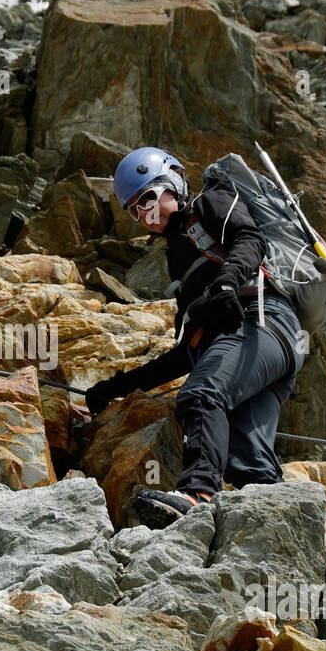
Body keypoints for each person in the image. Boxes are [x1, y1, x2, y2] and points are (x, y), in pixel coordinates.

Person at [84, 147, 305, 528]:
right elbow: (187, 351)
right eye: (137, 209)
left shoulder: (209, 203)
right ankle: (285, 531)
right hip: (264, 345)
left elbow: (250, 240)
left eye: (150, 198)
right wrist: (117, 386)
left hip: (265, 320)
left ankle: (198, 492)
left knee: (202, 394)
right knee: (246, 458)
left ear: (174, 184)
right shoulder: (179, 256)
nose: (147, 214)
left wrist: (226, 284)